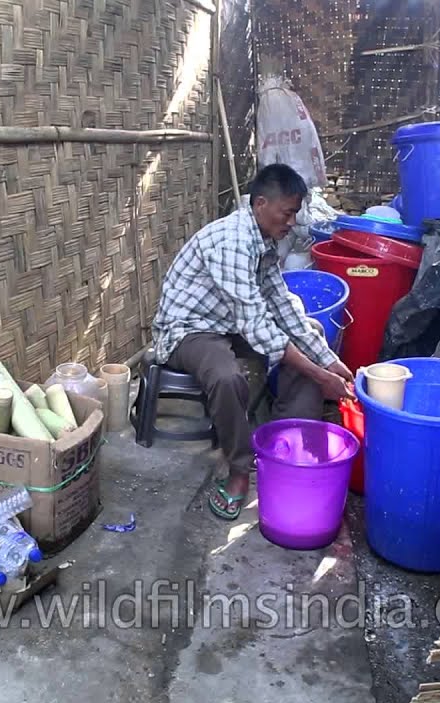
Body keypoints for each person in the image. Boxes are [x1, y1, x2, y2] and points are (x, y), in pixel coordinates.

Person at [151, 164, 355, 520]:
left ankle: (287, 442)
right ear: (261, 203)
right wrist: (323, 379)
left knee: (312, 335)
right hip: (190, 329)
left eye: (295, 213)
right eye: (287, 212)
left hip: (229, 324)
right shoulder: (232, 241)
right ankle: (239, 470)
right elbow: (259, 326)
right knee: (227, 377)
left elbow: (282, 308)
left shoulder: (263, 243)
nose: (291, 221)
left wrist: (330, 362)